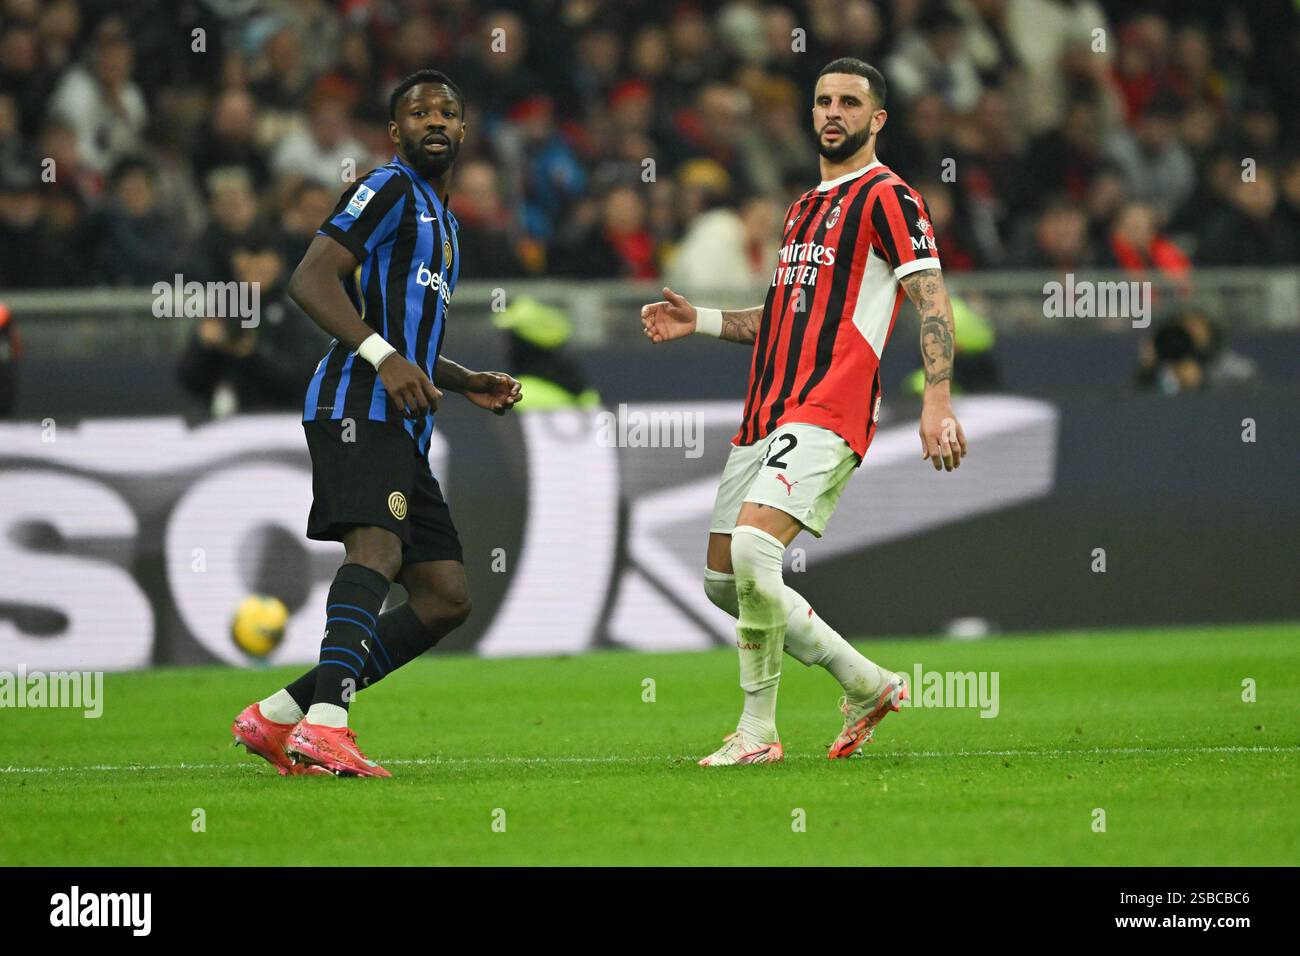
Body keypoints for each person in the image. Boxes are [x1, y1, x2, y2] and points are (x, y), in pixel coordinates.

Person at [639, 58, 968, 766]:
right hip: (766, 410)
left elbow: (932, 298)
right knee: (725, 580)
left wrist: (937, 401)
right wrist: (698, 321)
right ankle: (864, 682)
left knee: (758, 551)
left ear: (877, 119)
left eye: (850, 102)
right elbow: (785, 317)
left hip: (831, 404)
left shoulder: (889, 197)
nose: (832, 113)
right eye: (823, 100)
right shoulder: (801, 208)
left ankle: (757, 733)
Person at [230, 70, 522, 778]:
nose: (435, 120)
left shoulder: (443, 220)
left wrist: (460, 377)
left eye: (448, 112)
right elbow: (310, 280)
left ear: (462, 131)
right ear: (395, 132)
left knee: (444, 596)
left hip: (401, 418)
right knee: (377, 553)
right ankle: (329, 726)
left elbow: (406, 335)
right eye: (418, 111)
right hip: (355, 406)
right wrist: (384, 358)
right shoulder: (388, 188)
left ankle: (279, 716)